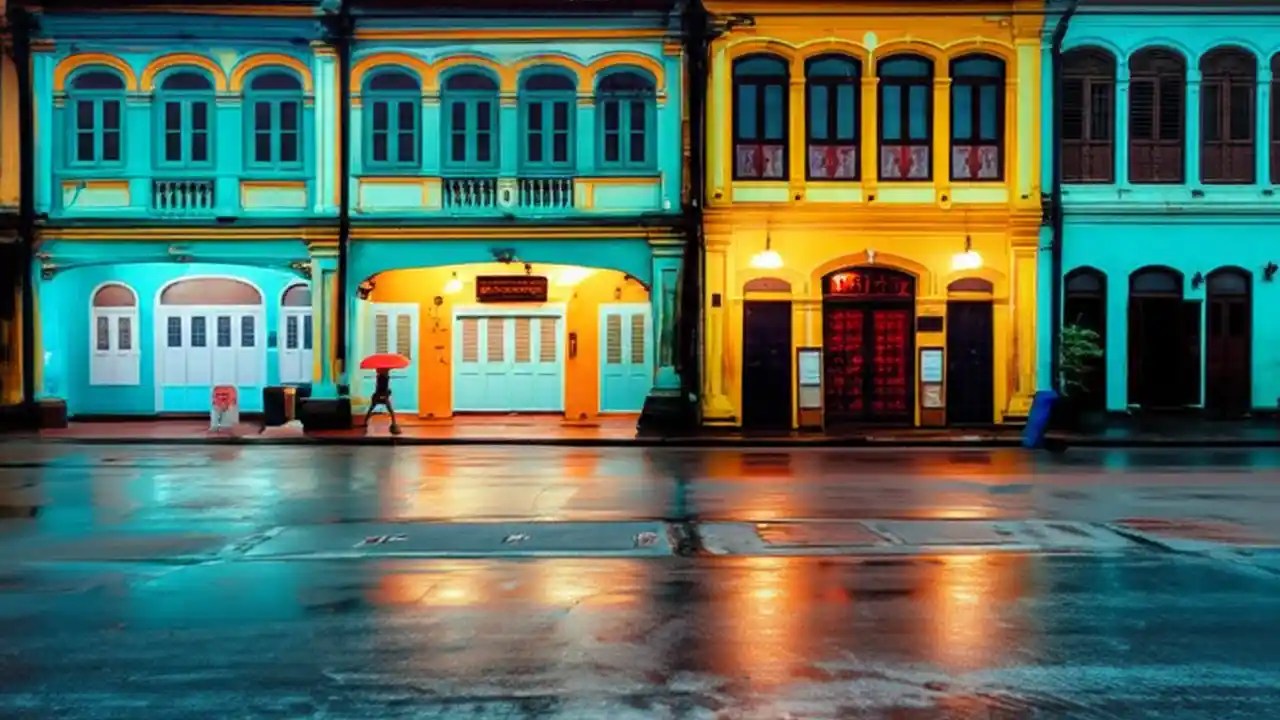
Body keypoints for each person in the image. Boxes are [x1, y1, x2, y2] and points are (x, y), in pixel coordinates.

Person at [363, 368, 402, 435]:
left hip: (378, 396)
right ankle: (394, 424)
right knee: (391, 411)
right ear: (385, 372)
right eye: (387, 371)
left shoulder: (379, 377)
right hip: (382, 397)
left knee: (371, 408)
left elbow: (378, 388)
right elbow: (383, 388)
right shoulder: (384, 378)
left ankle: (365, 422)